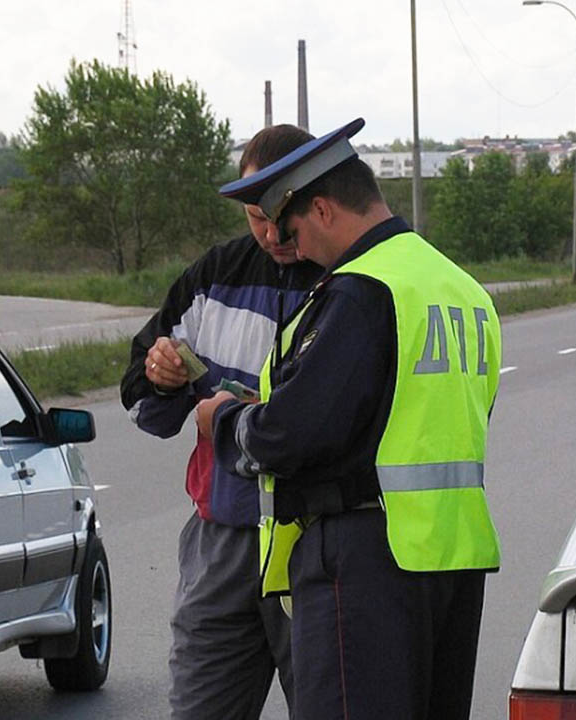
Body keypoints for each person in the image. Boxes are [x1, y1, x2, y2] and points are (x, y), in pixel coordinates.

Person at [195, 118, 502, 720]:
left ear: (324, 209)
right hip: (450, 557)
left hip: (365, 560)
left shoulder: (362, 291)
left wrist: (228, 421)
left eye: (295, 231)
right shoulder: (462, 290)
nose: (296, 250)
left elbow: (290, 435)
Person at [120, 124, 323, 720]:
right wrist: (161, 378)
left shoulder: (351, 281)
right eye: (254, 217)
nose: (270, 233)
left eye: (279, 215)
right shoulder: (214, 277)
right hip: (223, 544)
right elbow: (143, 405)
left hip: (318, 543)